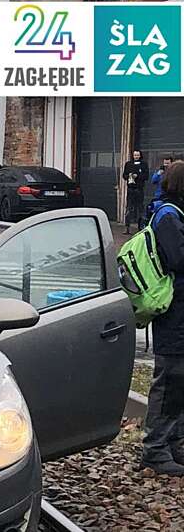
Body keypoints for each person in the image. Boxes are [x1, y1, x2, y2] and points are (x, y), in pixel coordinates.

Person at [143, 161, 184, 476]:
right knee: (169, 381)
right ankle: (155, 449)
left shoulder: (174, 214)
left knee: (179, 382)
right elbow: (178, 259)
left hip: (180, 313)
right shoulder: (168, 216)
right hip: (174, 314)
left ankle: (173, 444)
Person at [124, 150, 149, 235]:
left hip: (139, 189)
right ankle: (127, 228)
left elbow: (146, 176)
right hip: (130, 189)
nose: (136, 156)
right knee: (128, 209)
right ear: (133, 155)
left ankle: (140, 227)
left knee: (140, 209)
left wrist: (137, 176)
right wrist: (129, 176)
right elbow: (124, 175)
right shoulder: (128, 164)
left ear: (140, 155)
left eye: (138, 155)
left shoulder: (144, 164)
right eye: (135, 155)